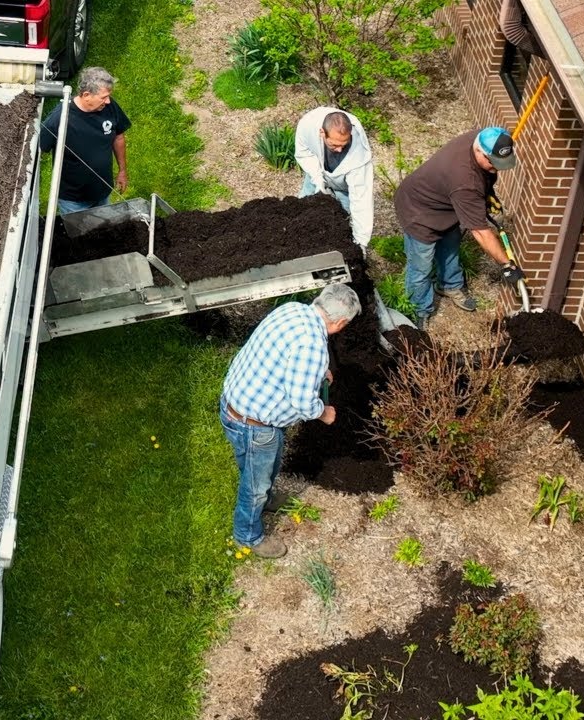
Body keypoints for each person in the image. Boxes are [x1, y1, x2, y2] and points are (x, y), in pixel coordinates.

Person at [219, 283, 361, 559]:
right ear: (341, 323)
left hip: (236, 401)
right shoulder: (312, 347)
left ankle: (267, 500)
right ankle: (247, 535)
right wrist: (324, 412)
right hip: (254, 425)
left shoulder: (292, 310)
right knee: (255, 485)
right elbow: (302, 403)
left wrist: (319, 374)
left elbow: (288, 360)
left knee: (260, 467)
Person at [394, 126, 525, 330]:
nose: (495, 168)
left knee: (450, 243)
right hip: (418, 211)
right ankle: (419, 309)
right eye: (492, 163)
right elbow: (481, 232)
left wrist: (486, 193)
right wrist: (506, 265)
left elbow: (485, 174)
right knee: (421, 266)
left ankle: (449, 285)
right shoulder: (465, 181)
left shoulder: (484, 136)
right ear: (480, 151)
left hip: (446, 207)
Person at [40, 67, 131, 215]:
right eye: (104, 97)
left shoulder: (109, 107)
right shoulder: (60, 118)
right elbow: (39, 151)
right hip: (73, 201)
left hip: (103, 192)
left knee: (104, 231)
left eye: (109, 96)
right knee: (81, 237)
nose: (108, 101)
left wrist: (122, 171)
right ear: (86, 95)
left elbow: (118, 136)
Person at [294, 107, 375, 248]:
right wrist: (318, 180)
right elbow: (304, 153)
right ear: (322, 133)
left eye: (344, 145)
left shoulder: (359, 157)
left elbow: (361, 201)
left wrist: (360, 242)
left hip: (344, 185)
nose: (339, 150)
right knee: (303, 209)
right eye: (334, 144)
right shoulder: (308, 124)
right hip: (316, 172)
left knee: (337, 220)